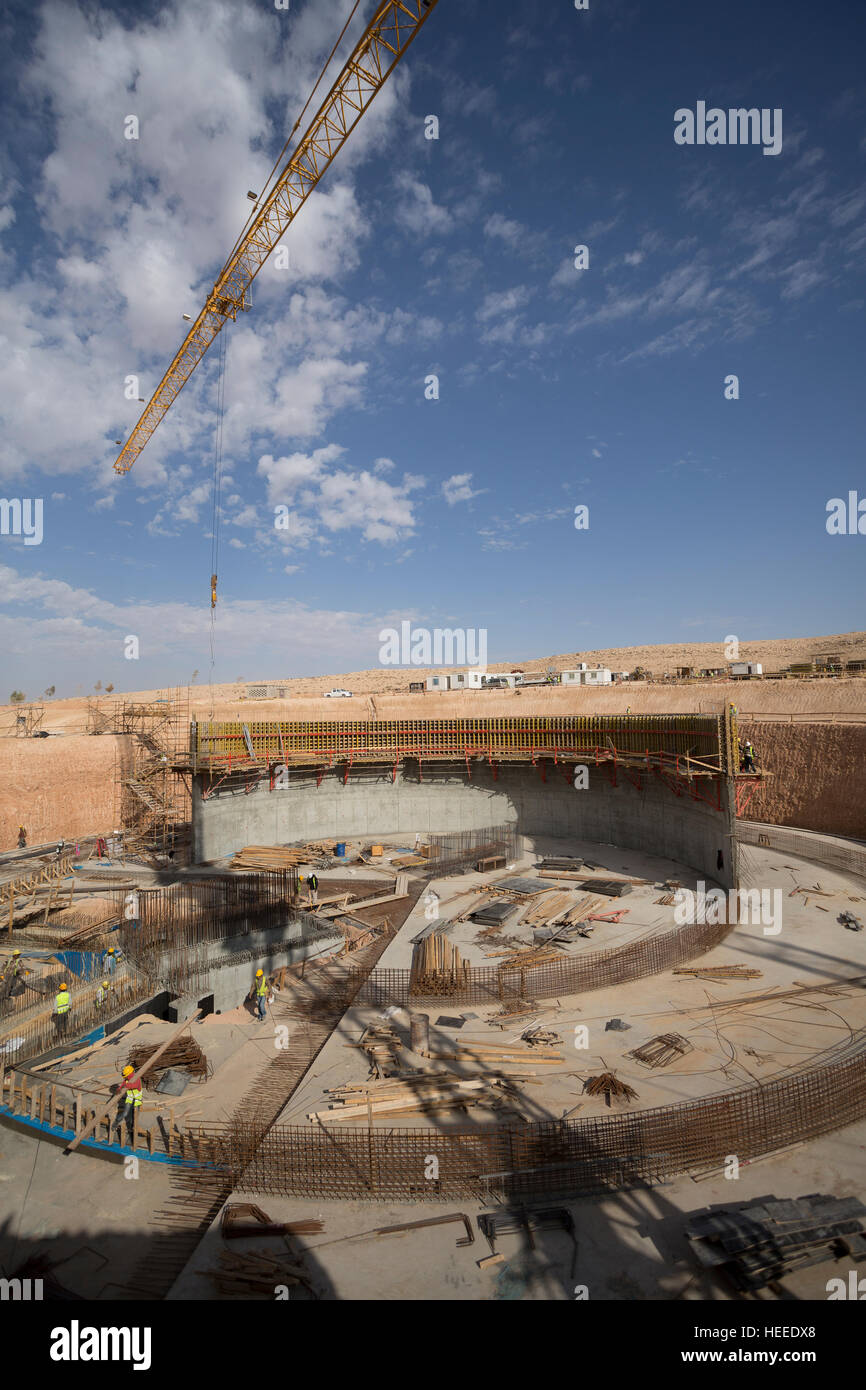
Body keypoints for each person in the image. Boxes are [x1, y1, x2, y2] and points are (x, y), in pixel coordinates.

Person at [118, 1065, 142, 1143]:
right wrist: (120, 1088)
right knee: (129, 1117)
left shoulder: (136, 1079)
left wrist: (127, 1085)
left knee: (134, 1118)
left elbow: (135, 1085)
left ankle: (134, 1135)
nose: (125, 1077)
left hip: (136, 1102)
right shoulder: (127, 1079)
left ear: (130, 1074)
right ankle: (130, 1130)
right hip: (130, 1100)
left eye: (126, 1076)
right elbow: (124, 1083)